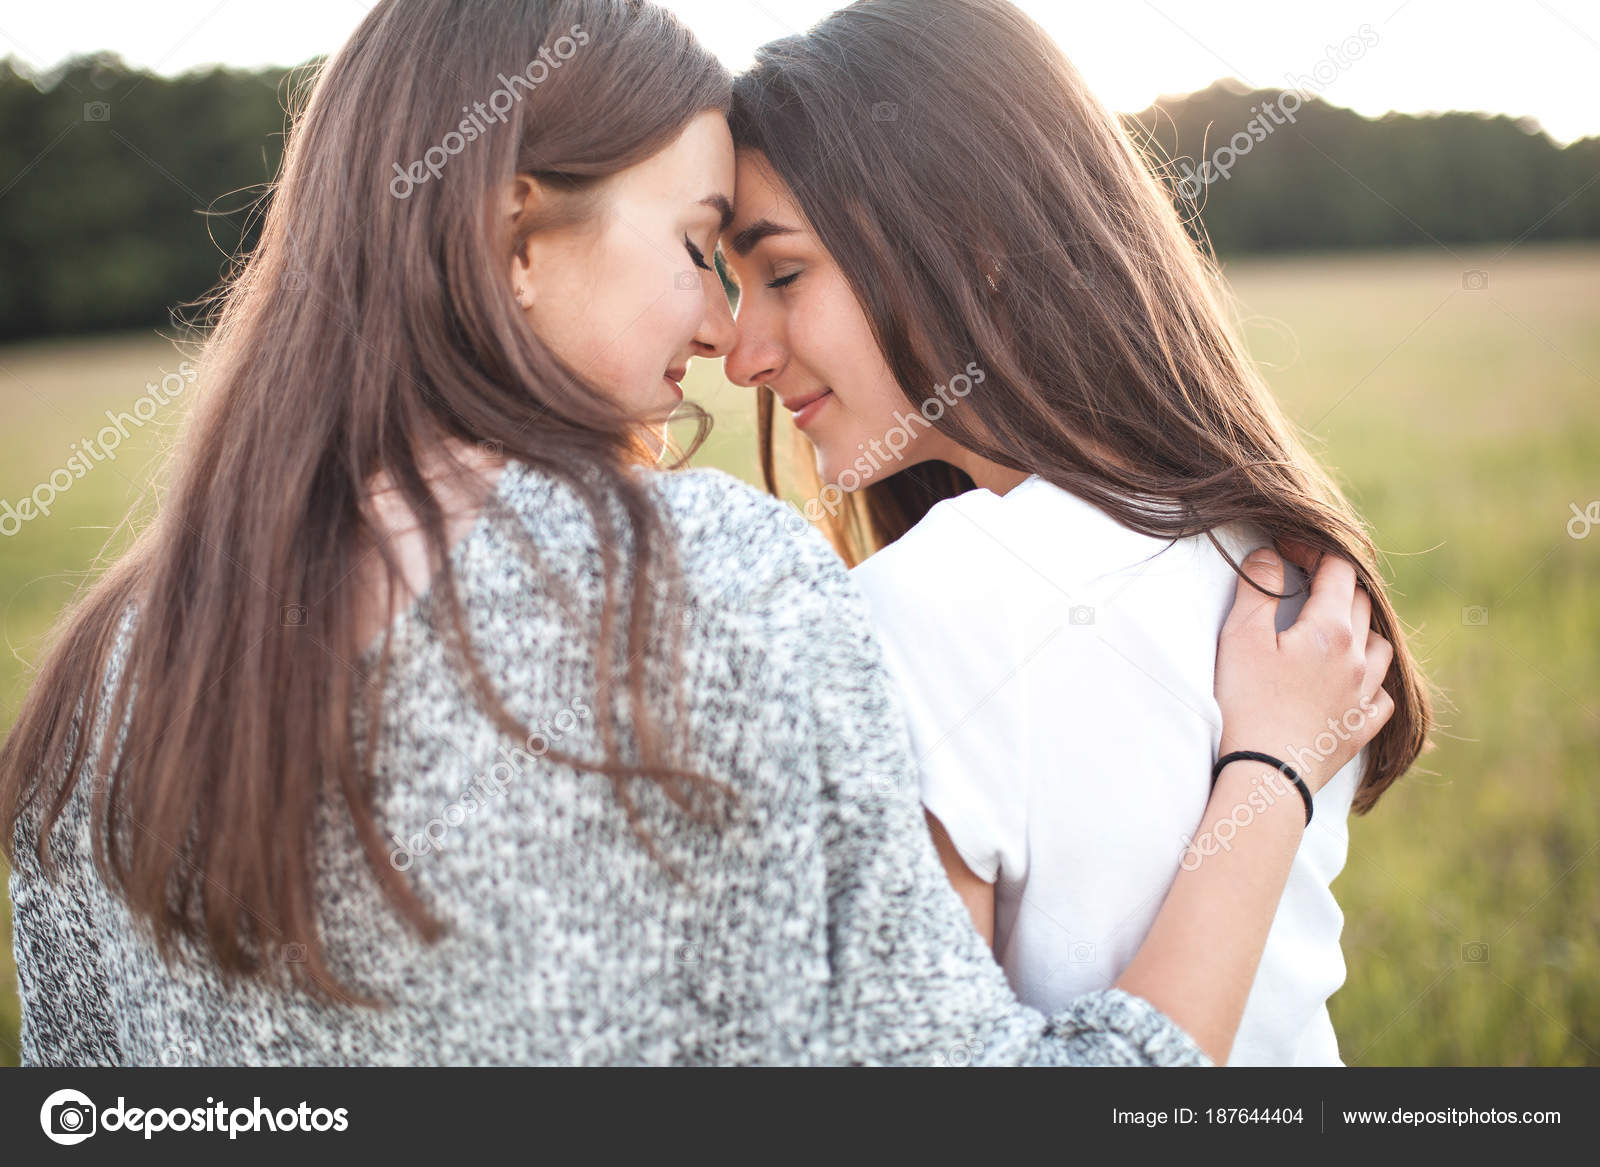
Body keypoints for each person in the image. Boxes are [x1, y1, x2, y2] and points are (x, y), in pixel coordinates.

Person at [5, 0, 1391, 1066]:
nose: (727, 336)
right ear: (513, 243)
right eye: (700, 248)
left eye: (766, 268)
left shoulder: (85, 698)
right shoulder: (725, 592)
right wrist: (1267, 767)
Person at [722, 0, 1430, 1064]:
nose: (742, 356)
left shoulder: (920, 607)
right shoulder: (1274, 564)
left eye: (782, 274)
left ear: (975, 242)